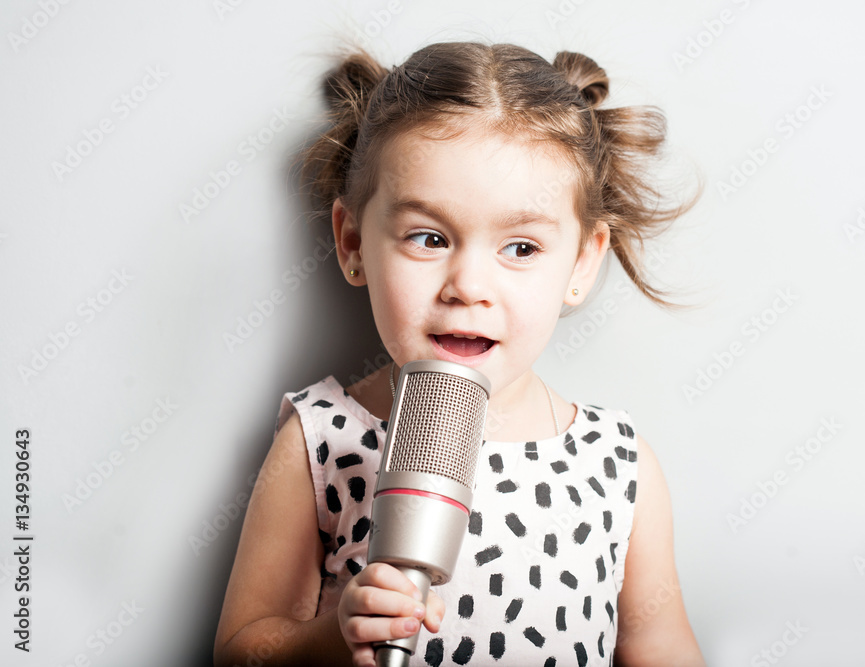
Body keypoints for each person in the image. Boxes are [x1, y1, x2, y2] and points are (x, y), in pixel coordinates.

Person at [214, 39, 705, 667]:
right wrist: (334, 637)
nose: (468, 287)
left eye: (521, 248)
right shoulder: (320, 441)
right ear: (354, 242)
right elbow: (240, 651)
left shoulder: (618, 465)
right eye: (428, 237)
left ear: (583, 260)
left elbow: (661, 647)